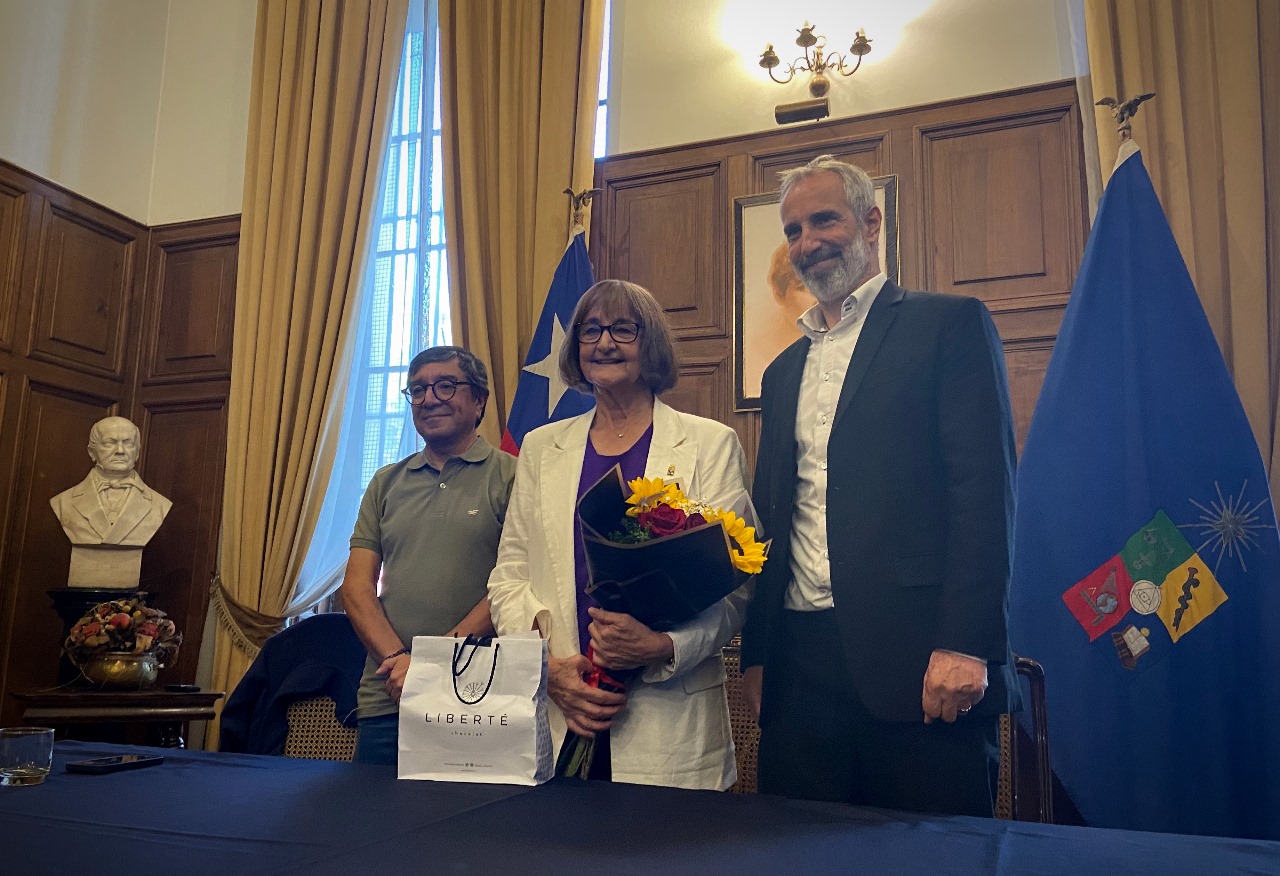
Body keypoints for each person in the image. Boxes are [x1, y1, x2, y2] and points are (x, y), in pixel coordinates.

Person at [740, 154, 1020, 817]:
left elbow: (985, 496)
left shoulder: (948, 326)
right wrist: (759, 654)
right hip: (799, 674)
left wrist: (965, 643)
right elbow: (774, 519)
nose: (808, 243)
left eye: (823, 220)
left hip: (921, 663)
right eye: (793, 231)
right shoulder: (782, 373)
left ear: (870, 221)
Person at [487, 279, 750, 790]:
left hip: (669, 724)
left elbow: (736, 586)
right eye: (591, 330)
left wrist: (662, 645)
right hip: (563, 713)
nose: (604, 342)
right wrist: (548, 668)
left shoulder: (710, 443)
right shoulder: (542, 448)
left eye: (623, 329)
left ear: (649, 341)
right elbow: (509, 575)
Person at [340, 346, 516, 765]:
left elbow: (513, 584)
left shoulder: (513, 475)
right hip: (389, 694)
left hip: (478, 696)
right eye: (417, 390)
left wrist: (432, 664)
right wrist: (401, 661)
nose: (429, 398)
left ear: (479, 401)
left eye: (445, 386)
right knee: (373, 827)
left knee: (465, 830)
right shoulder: (386, 482)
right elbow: (356, 588)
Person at [51, 416, 172, 548]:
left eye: (128, 443)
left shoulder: (159, 505)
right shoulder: (64, 502)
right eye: (110, 443)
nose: (120, 451)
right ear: (92, 452)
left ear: (137, 452)